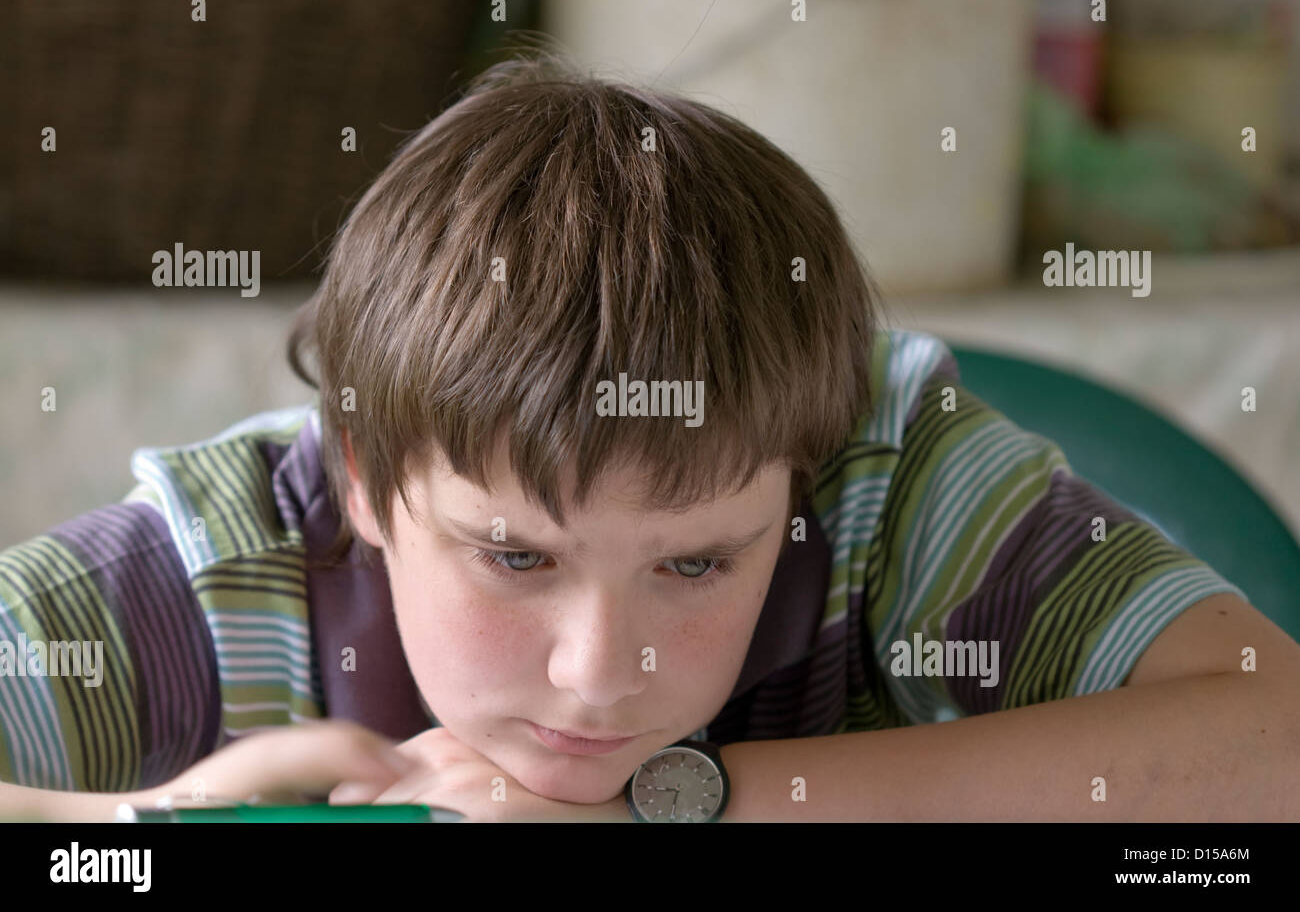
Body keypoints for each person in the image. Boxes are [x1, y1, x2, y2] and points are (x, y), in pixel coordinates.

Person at [2, 53, 1297, 823]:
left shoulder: (885, 481)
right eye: (514, 557)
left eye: (695, 564)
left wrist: (684, 806)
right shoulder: (220, 571)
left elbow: (1274, 739)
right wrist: (136, 823)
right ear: (363, 477)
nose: (600, 669)